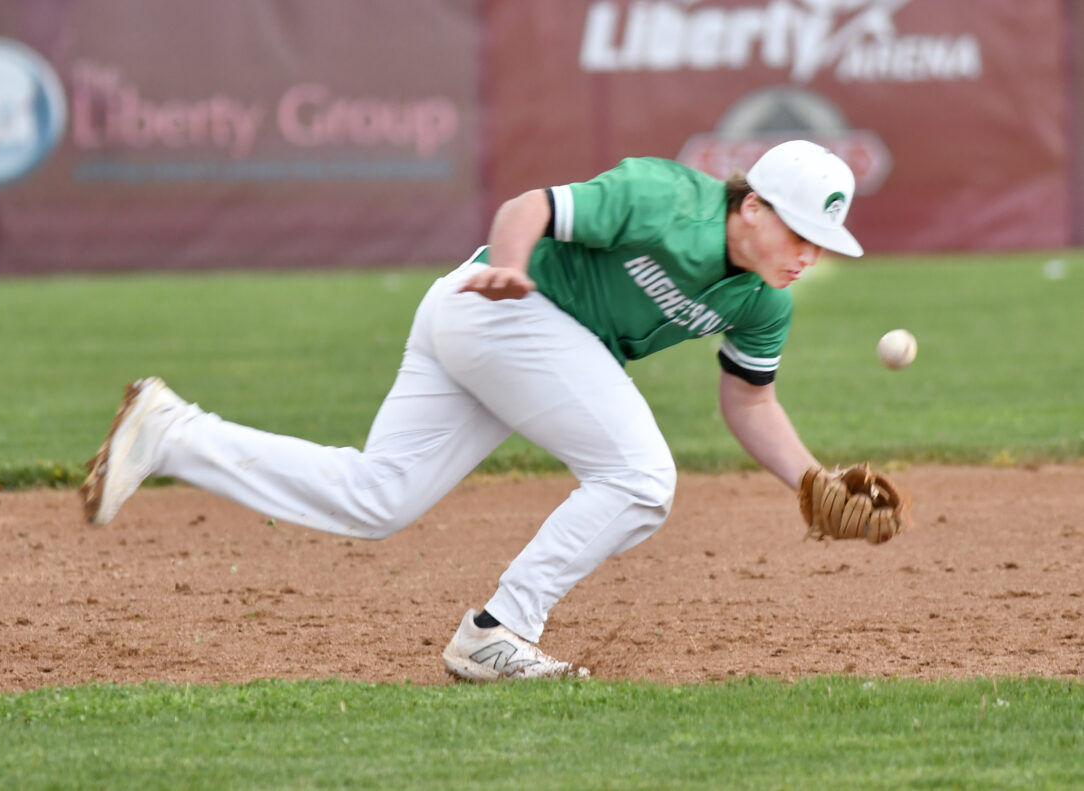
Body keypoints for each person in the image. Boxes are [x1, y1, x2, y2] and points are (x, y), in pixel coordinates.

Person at [81, 140, 864, 681]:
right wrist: (514, 269)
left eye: (823, 242)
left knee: (377, 496)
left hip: (509, 331)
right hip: (502, 305)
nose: (809, 255)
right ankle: (499, 632)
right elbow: (532, 205)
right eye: (802, 230)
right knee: (639, 476)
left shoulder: (765, 304)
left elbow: (749, 400)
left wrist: (812, 481)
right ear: (754, 206)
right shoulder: (664, 198)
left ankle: (171, 433)